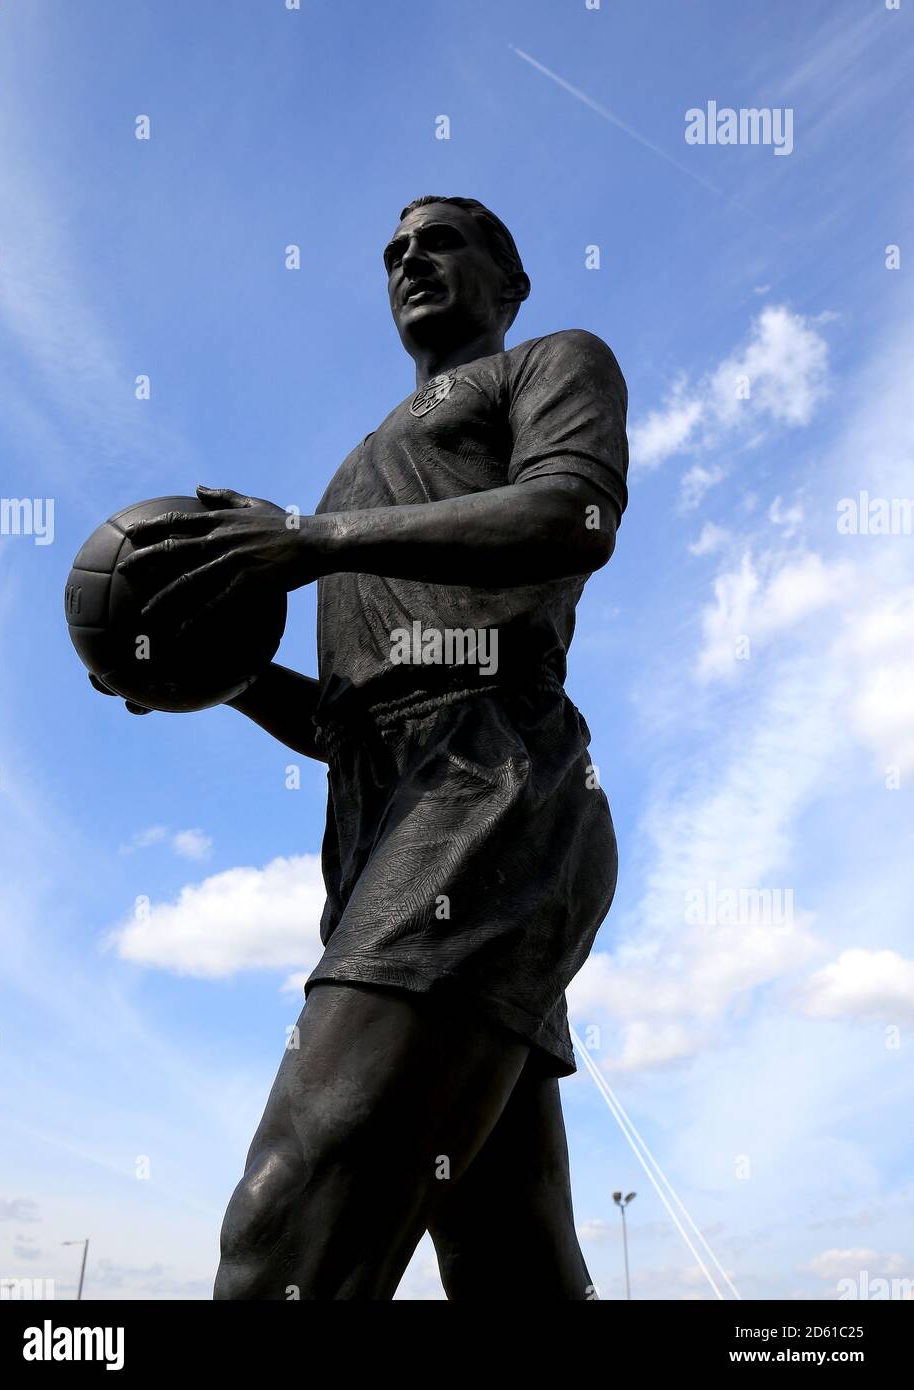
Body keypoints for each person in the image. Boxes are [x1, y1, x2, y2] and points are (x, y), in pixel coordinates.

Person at [105, 195, 629, 1300]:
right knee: (509, 1257)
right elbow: (347, 720)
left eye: (439, 240)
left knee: (281, 1226)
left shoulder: (547, 362)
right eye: (392, 250)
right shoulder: (351, 475)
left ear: (510, 282)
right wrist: (231, 677)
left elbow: (571, 518)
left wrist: (310, 539)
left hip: (489, 786)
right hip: (376, 810)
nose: (408, 259)